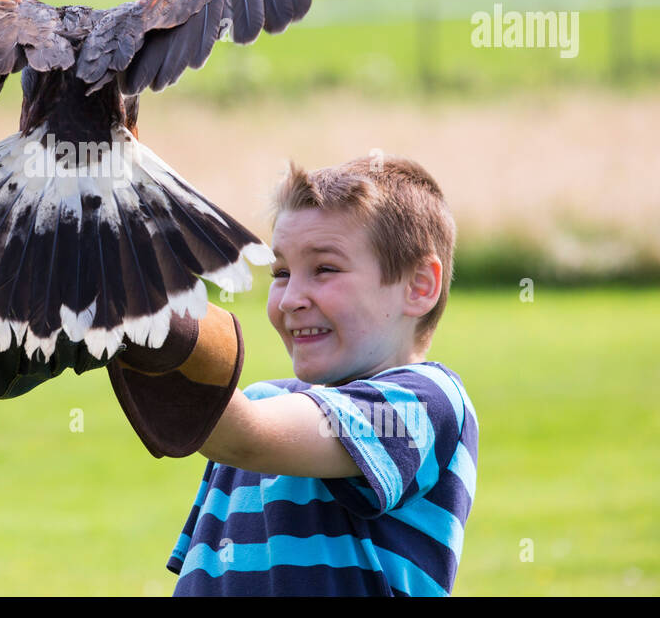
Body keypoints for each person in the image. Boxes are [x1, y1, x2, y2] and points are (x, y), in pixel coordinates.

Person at [166, 155, 478, 595]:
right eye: (281, 273)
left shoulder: (429, 403)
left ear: (418, 286)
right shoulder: (257, 400)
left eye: (325, 269)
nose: (291, 298)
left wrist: (144, 314)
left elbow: (245, 437)